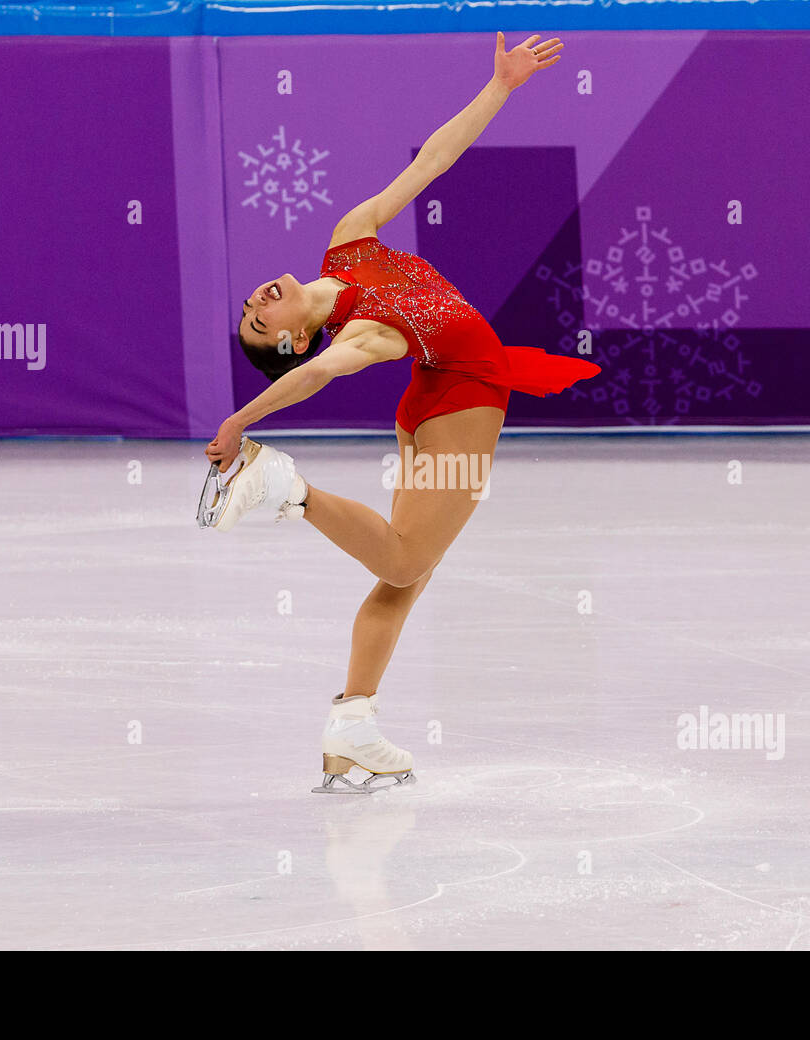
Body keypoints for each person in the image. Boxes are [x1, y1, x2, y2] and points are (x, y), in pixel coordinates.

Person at [202, 31, 598, 793]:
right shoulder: (359, 331)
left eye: (252, 305)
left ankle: (353, 724)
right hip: (465, 397)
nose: (257, 301)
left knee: (402, 573)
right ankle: (287, 488)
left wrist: (501, 88)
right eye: (259, 323)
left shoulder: (348, 239)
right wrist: (240, 423)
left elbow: (432, 161)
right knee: (407, 559)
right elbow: (318, 376)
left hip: (436, 394)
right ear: (290, 339)